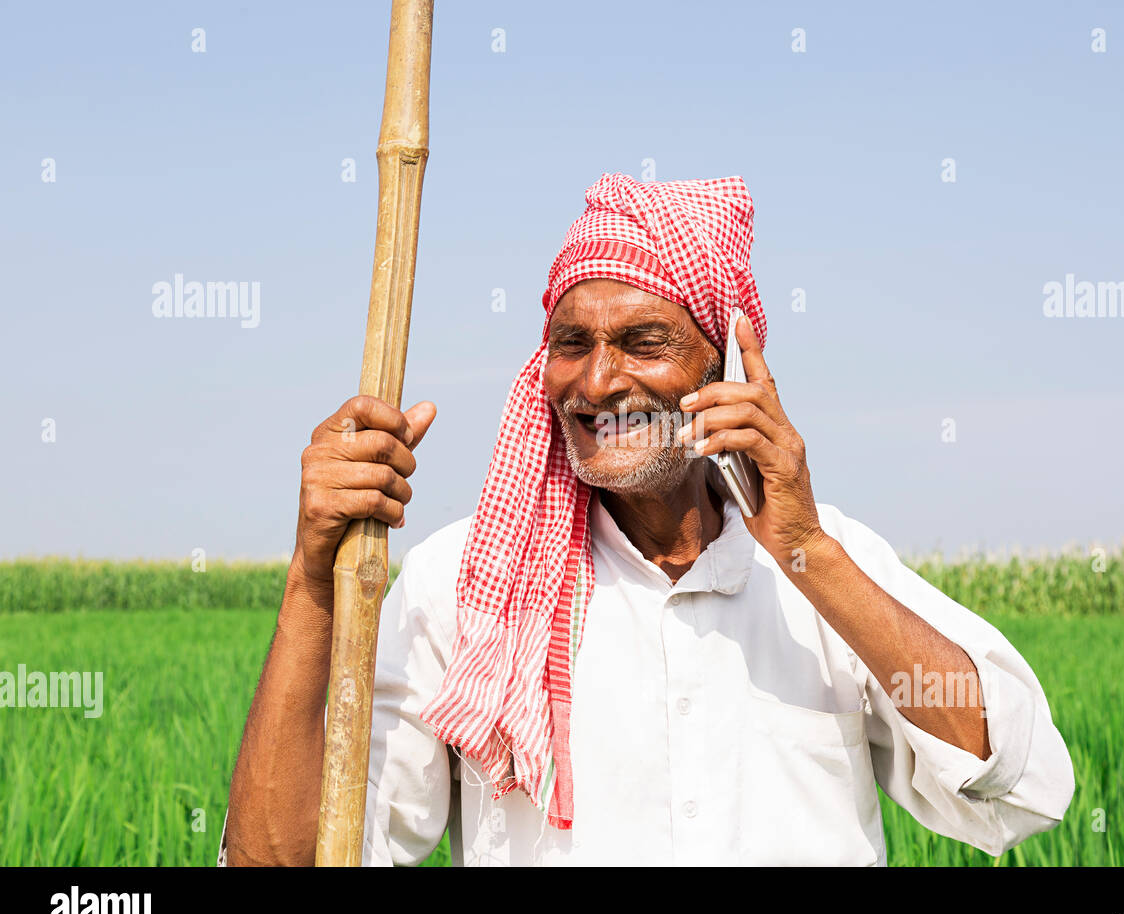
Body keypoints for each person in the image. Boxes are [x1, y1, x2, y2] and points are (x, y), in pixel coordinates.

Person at [222, 172, 1074, 866]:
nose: (596, 384)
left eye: (642, 341)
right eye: (572, 343)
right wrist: (313, 576)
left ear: (722, 364)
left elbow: (1022, 780)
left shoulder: (822, 564)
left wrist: (807, 552)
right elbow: (289, 862)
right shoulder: (465, 584)